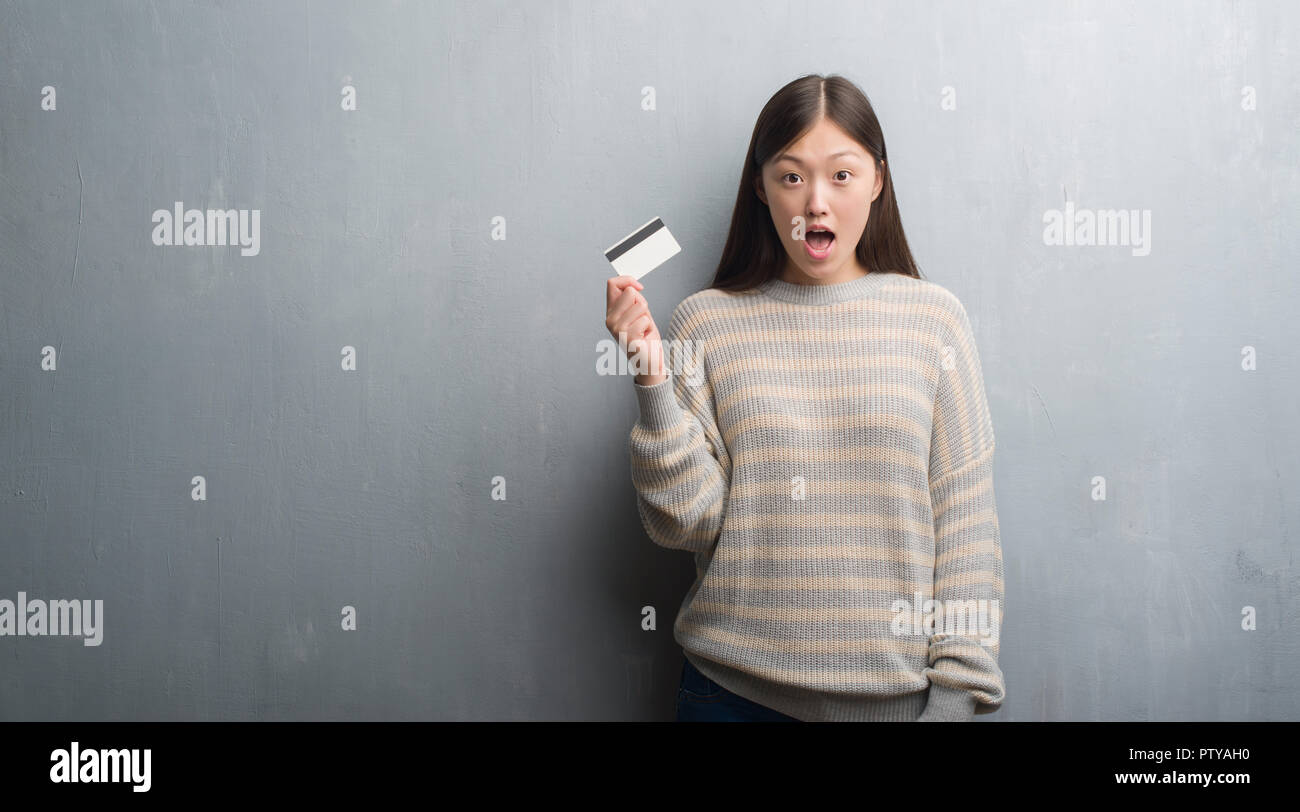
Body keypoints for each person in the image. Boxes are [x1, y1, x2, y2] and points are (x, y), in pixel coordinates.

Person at [604, 73, 1004, 722]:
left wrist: (957, 698)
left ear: (878, 179)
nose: (816, 202)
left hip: (897, 705)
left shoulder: (935, 323)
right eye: (791, 177)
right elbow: (686, 523)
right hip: (728, 697)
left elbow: (966, 525)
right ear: (760, 188)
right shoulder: (705, 324)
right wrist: (651, 377)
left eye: (841, 176)